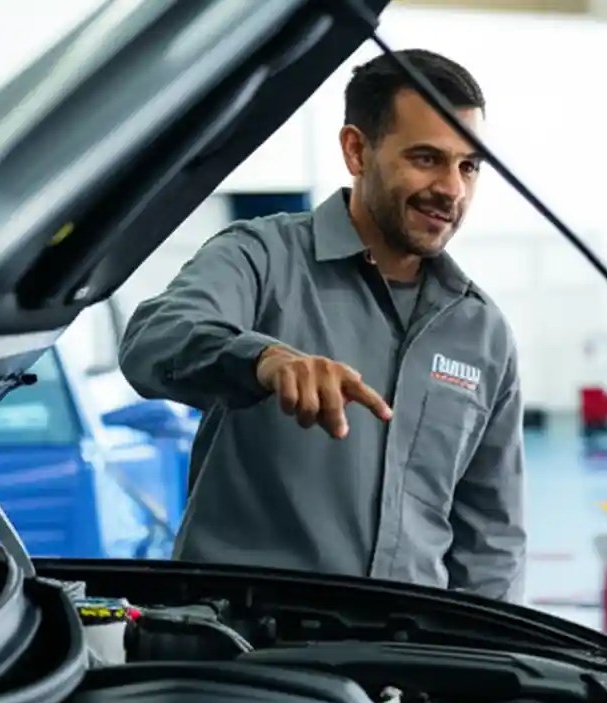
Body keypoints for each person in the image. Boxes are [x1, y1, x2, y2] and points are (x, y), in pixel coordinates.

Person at [118, 49, 526, 603]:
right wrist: (263, 361)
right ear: (357, 150)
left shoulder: (482, 333)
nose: (452, 189)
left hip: (406, 664)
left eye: (468, 166)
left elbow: (490, 542)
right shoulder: (261, 258)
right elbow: (154, 338)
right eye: (427, 158)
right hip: (247, 650)